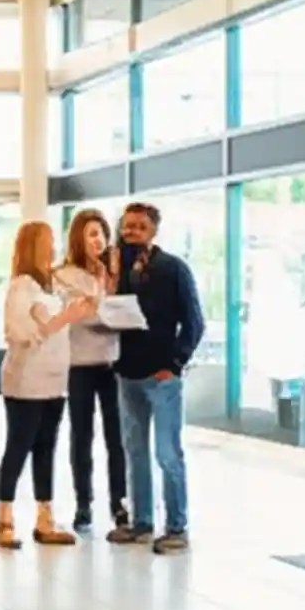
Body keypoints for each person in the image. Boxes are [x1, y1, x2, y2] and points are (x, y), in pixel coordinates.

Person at [106, 202, 205, 554]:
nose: (131, 231)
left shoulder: (173, 269)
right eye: (127, 225)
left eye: (139, 226)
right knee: (134, 451)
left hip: (162, 376)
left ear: (153, 230)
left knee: (167, 452)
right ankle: (142, 522)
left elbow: (194, 322)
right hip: (126, 373)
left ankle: (177, 526)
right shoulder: (113, 270)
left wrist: (175, 363)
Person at [0, 220, 95, 550]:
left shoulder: (51, 286)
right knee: (19, 446)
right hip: (26, 381)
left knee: (46, 448)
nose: (52, 248)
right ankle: (5, 518)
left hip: (54, 379)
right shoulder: (22, 287)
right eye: (47, 242)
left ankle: (44, 517)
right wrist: (63, 319)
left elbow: (54, 320)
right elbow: (20, 332)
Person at [54, 209, 128, 534]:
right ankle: (84, 503)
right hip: (79, 364)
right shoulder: (63, 275)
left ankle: (119, 503)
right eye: (91, 234)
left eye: (101, 233)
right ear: (78, 239)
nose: (98, 240)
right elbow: (78, 317)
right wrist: (101, 309)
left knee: (117, 437)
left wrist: (107, 290)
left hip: (113, 364)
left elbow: (121, 312)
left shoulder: (113, 273)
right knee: (81, 435)